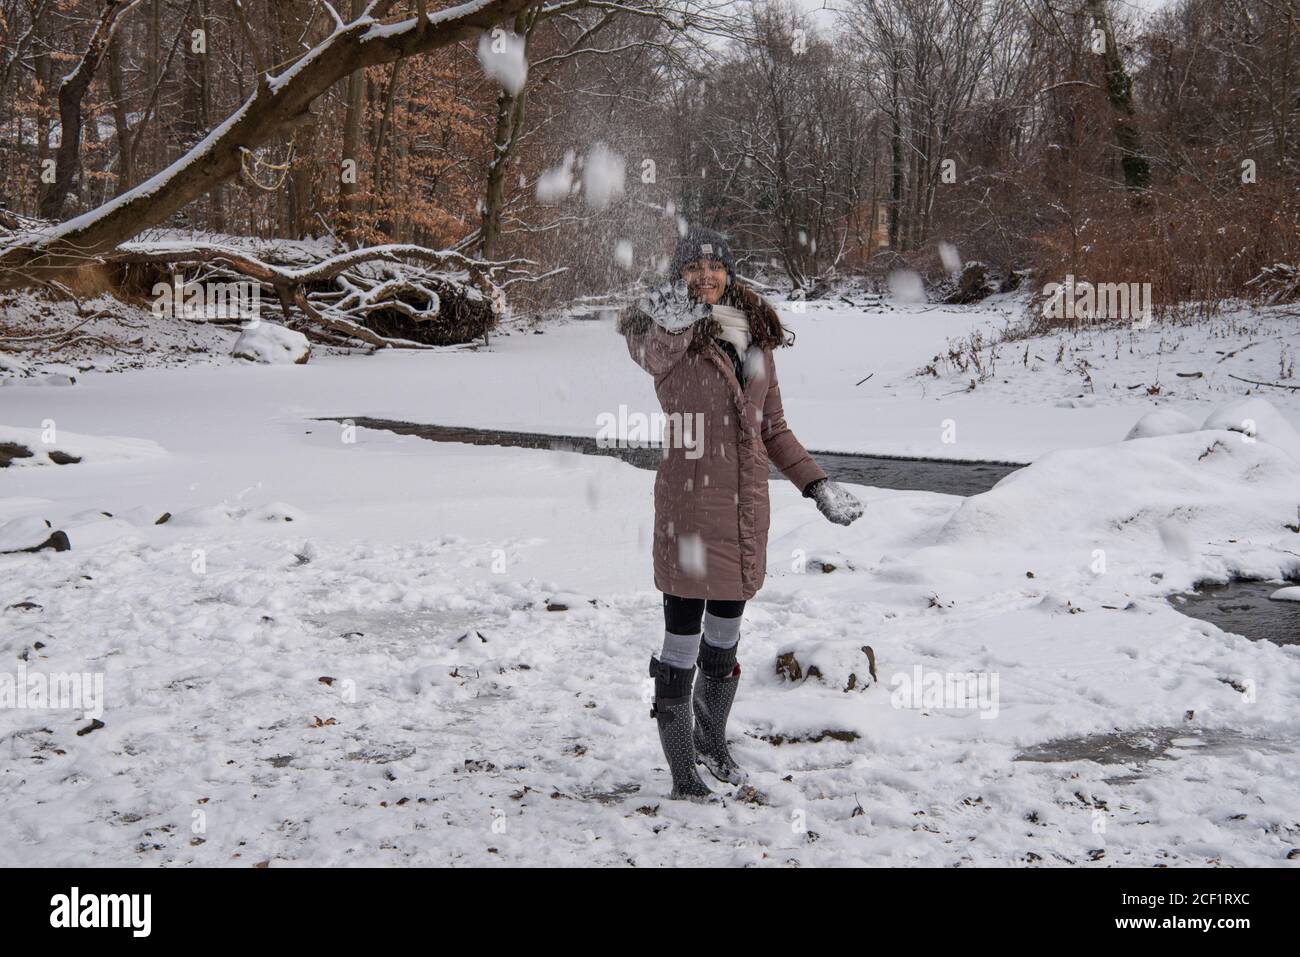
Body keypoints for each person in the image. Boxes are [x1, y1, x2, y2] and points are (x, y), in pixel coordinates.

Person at [617, 227, 865, 800]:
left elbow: (772, 428)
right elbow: (653, 356)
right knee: (680, 641)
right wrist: (672, 318)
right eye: (692, 266)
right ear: (678, 274)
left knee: (724, 641)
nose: (705, 275)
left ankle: (711, 740)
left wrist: (816, 483)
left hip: (744, 510)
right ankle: (682, 771)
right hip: (688, 504)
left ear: (730, 273)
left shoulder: (755, 338)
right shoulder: (664, 333)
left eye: (716, 266)